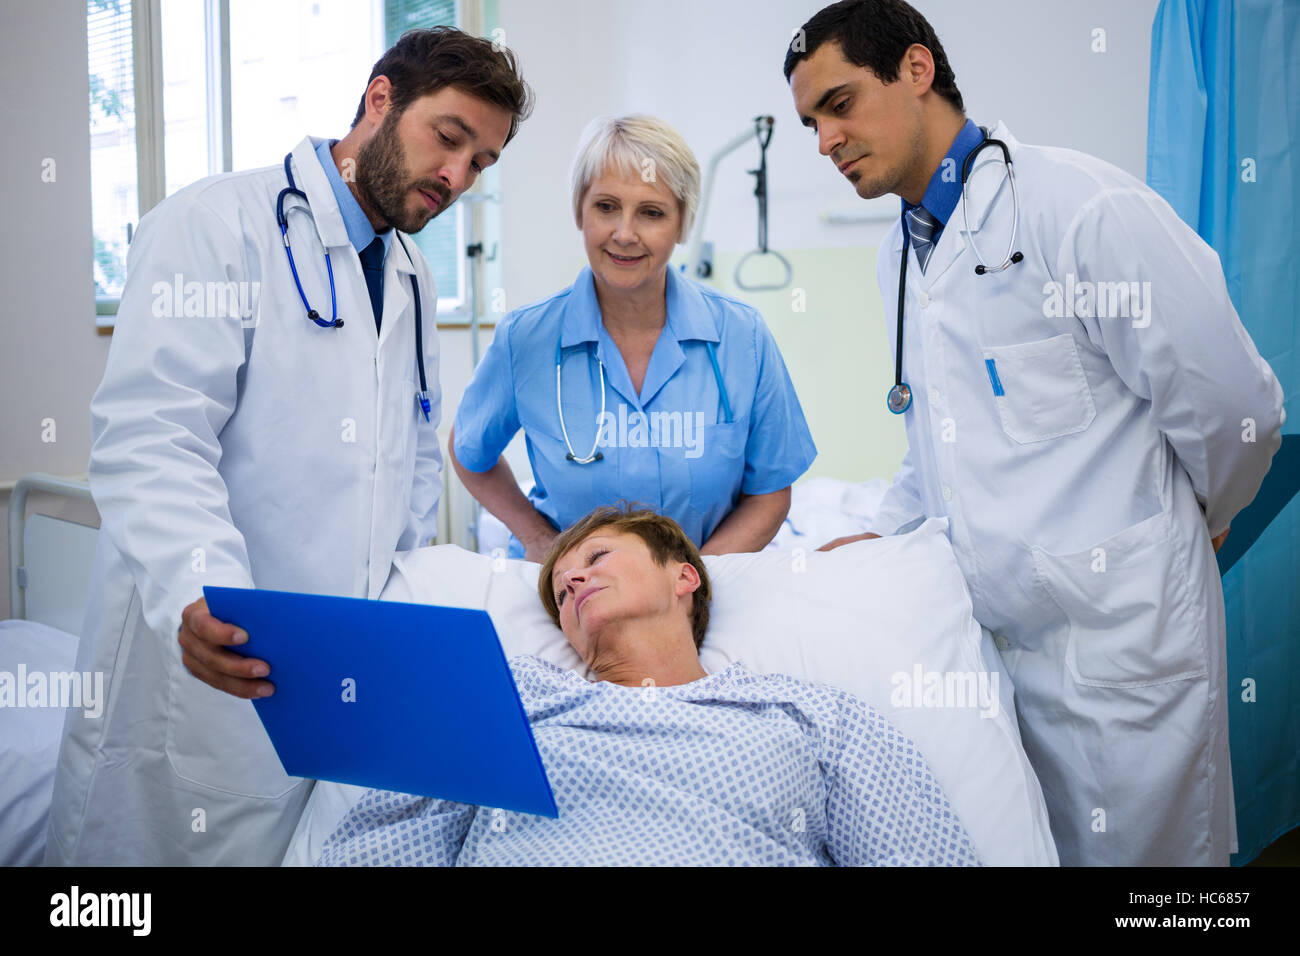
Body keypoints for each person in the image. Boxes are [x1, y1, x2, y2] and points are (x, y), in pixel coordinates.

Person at [785, 0, 1285, 865]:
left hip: (1121, 649)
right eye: (810, 123)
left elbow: (1236, 408)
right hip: (999, 661)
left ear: (916, 69)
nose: (825, 140)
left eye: (839, 103)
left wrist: (1203, 518)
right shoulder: (901, 257)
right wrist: (874, 542)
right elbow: (940, 448)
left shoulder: (1080, 207)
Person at [45, 28, 532, 866]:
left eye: (481, 162)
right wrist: (202, 590)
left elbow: (412, 465)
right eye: (448, 138)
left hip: (328, 674)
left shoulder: (410, 274)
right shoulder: (215, 224)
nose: (457, 176)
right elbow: (153, 435)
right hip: (205, 659)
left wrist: (392, 621)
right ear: (380, 100)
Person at [314, 505, 981, 866]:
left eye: (597, 557)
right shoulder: (505, 699)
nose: (573, 580)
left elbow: (918, 854)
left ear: (684, 576)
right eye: (560, 592)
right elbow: (385, 846)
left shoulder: (809, 717)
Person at [448, 115, 817, 561]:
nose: (624, 234)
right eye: (606, 207)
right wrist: (539, 539)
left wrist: (691, 581)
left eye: (651, 213)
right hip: (568, 590)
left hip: (704, 588)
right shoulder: (525, 340)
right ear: (579, 212)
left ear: (682, 225)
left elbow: (771, 492)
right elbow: (469, 451)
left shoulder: (742, 337)